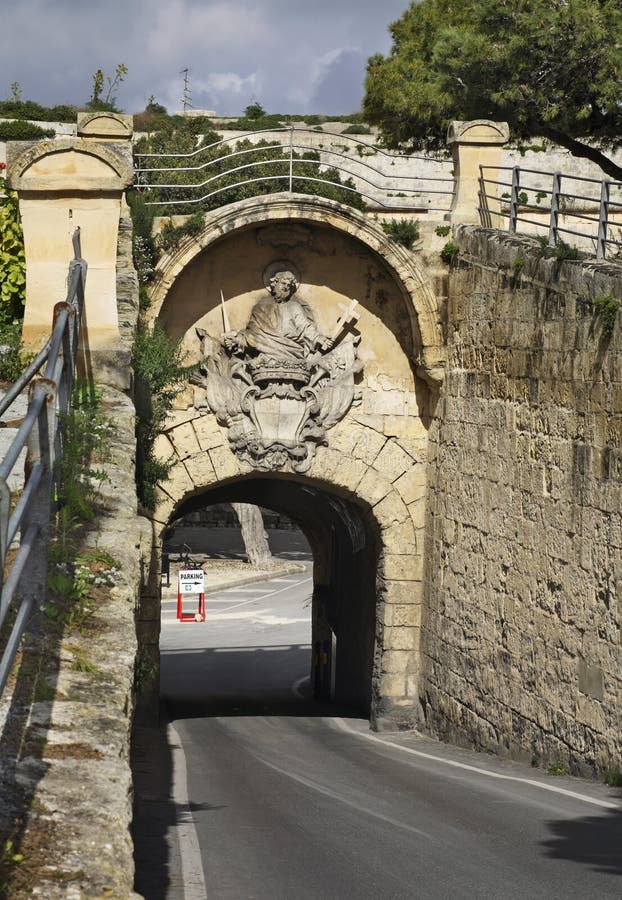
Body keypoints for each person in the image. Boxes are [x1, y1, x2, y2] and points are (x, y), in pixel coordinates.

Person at [223, 271, 333, 360]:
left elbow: (305, 327)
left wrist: (318, 338)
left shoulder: (294, 306)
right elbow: (254, 333)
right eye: (283, 283)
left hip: (292, 351)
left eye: (289, 285)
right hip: (265, 350)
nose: (286, 287)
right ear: (275, 283)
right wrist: (236, 339)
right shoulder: (261, 307)